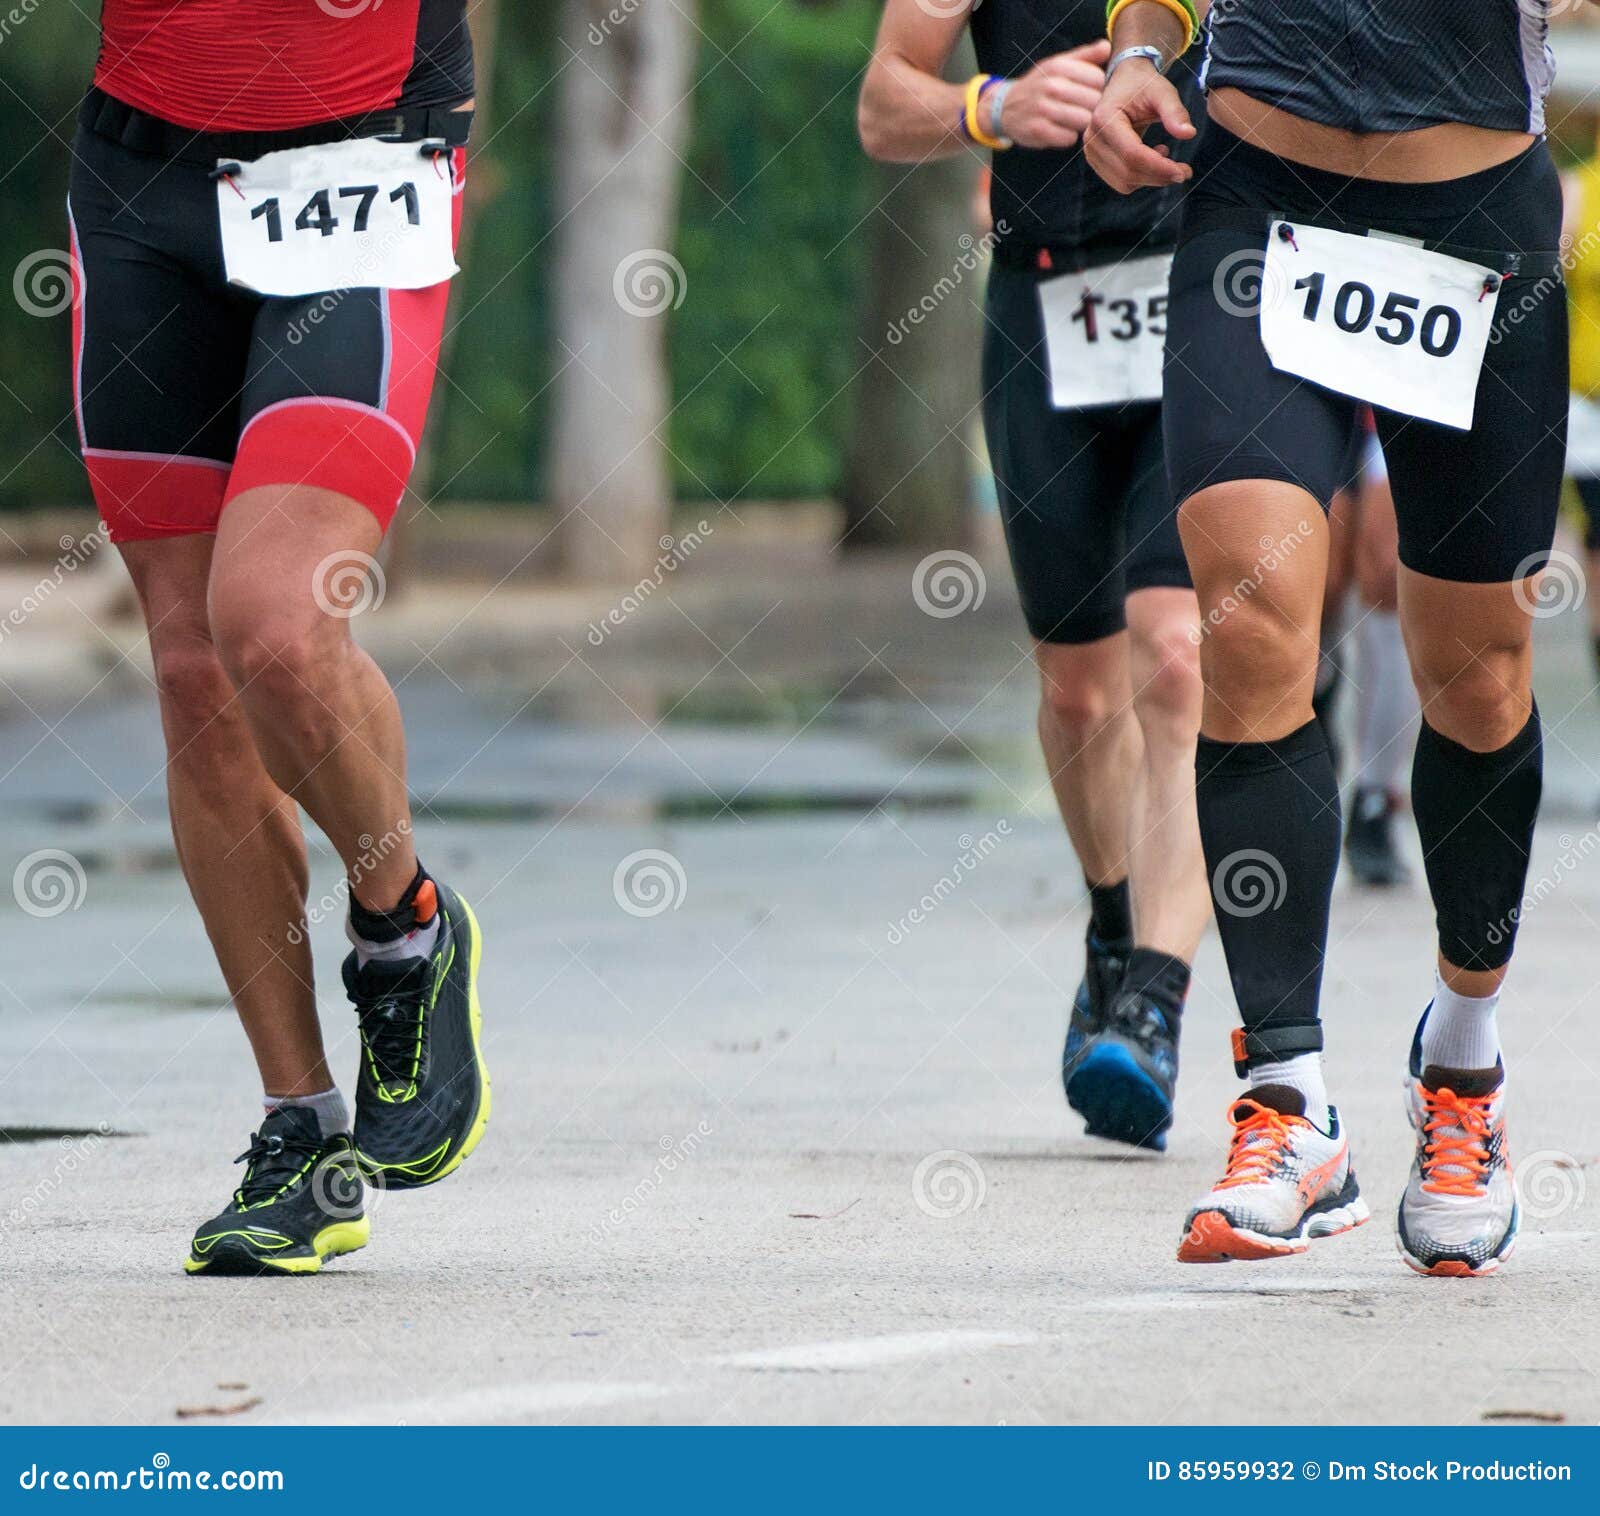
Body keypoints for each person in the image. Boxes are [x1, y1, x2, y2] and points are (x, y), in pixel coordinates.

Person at [1087, 0, 1564, 1273]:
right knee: (1243, 621)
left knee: (1475, 676)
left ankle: (1462, 1065)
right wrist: (1139, 49)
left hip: (1471, 215)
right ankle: (1287, 1103)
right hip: (1259, 194)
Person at [71, 1, 491, 1274]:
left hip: (362, 161)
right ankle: (301, 1133)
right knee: (193, 667)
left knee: (273, 623)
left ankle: (403, 922)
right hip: (139, 178)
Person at [859, 0, 1210, 1151]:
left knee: (1178, 653)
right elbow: (882, 101)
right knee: (1076, 691)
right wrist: (987, 106)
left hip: (1204, 285)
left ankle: (1154, 1000)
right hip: (1043, 304)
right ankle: (1112, 923)